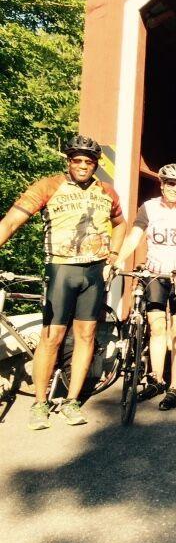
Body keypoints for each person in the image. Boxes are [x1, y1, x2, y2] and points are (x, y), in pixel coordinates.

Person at [0, 135, 126, 429]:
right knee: (52, 337)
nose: (83, 165)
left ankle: (71, 401)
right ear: (68, 161)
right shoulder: (48, 186)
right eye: (77, 160)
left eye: (89, 161)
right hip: (61, 270)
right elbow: (10, 222)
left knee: (86, 336)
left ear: (96, 164)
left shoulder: (107, 191)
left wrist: (114, 254)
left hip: (94, 272)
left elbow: (121, 224)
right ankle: (40, 403)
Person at [112, 163, 176, 410]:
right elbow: (134, 236)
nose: (175, 188)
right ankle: (157, 379)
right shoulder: (148, 207)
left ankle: (175, 385)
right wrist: (118, 260)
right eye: (170, 183)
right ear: (162, 184)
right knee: (157, 327)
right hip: (155, 274)